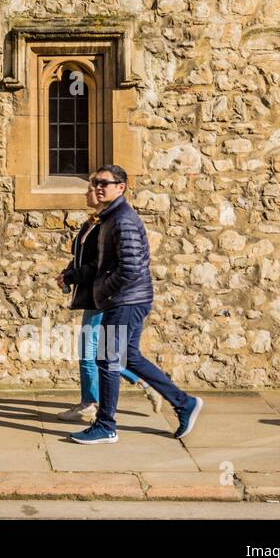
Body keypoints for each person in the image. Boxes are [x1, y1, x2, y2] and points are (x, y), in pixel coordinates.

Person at [70, 165, 204, 444]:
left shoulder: (123, 220)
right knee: (128, 357)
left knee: (107, 359)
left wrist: (103, 289)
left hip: (125, 300)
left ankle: (106, 425)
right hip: (126, 300)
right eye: (94, 181)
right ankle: (184, 403)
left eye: (103, 183)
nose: (97, 187)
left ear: (121, 187)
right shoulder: (110, 217)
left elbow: (131, 267)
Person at [56, 184, 163, 423]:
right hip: (89, 294)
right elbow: (81, 257)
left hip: (100, 295)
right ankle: (139, 385)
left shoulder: (107, 224)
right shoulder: (92, 222)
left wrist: (74, 276)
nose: (87, 193)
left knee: (91, 352)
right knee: (97, 352)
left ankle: (92, 403)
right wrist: (67, 273)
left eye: (92, 189)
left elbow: (99, 265)